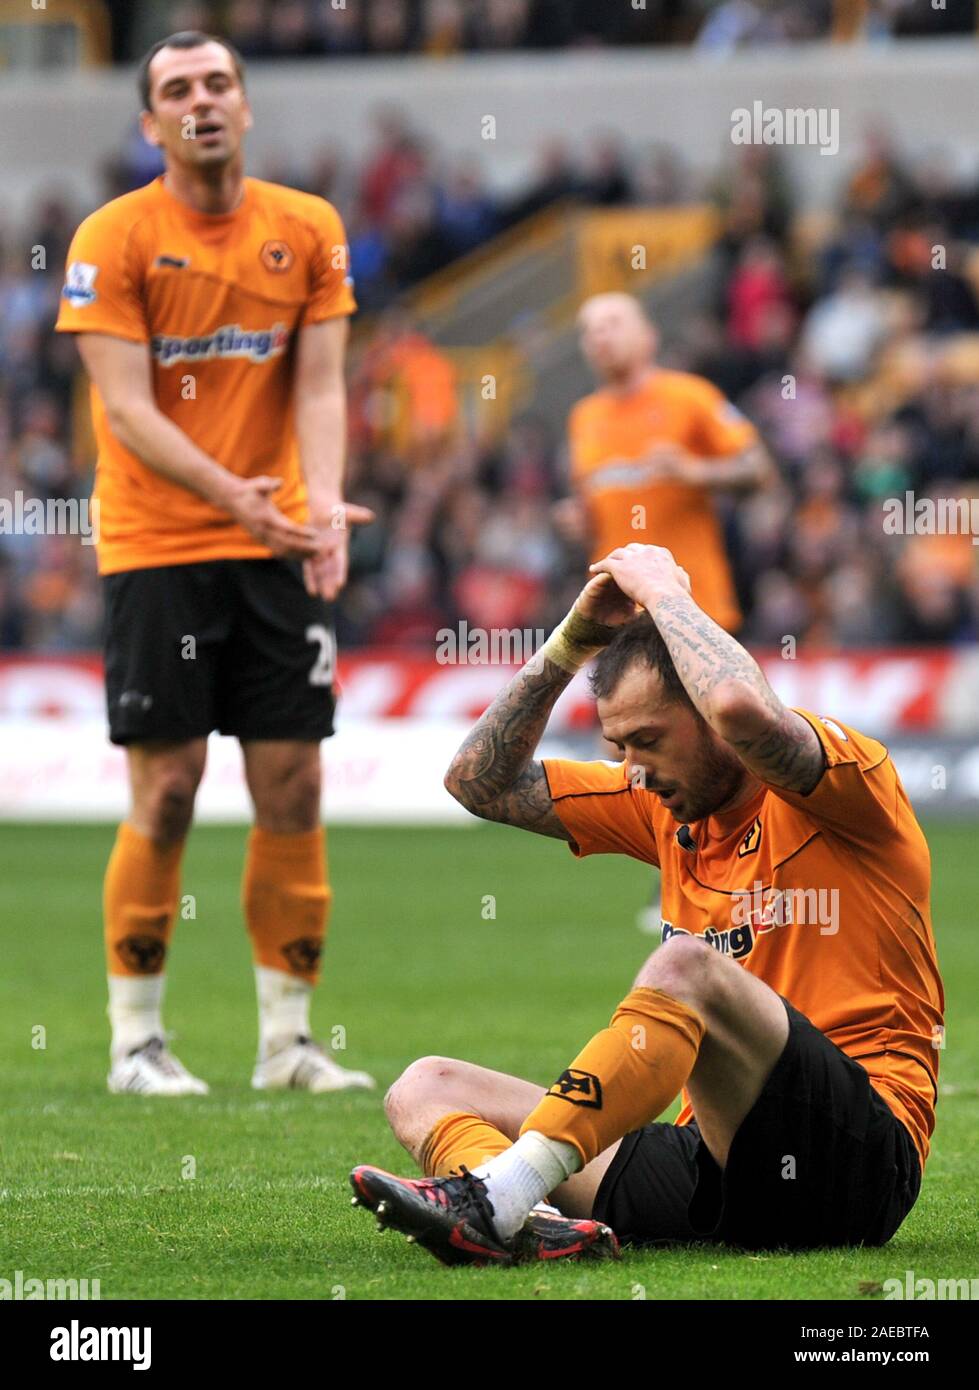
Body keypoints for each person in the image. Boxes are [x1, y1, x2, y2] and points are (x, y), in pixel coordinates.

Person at [349, 543, 943, 1265]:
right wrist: (574, 640)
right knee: (425, 1086)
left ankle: (494, 1198)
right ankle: (525, 1217)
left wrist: (665, 593)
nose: (632, 768)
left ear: (706, 719)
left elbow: (739, 706)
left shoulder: (847, 785)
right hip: (717, 1170)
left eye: (648, 741)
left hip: (851, 1164)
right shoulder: (661, 804)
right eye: (618, 744)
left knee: (683, 967)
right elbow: (477, 781)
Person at [55, 30, 375, 1096]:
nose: (202, 101)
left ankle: (287, 1043)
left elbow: (320, 387)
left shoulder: (308, 228)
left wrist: (320, 500)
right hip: (157, 544)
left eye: (219, 83)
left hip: (275, 541)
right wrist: (230, 490)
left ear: (245, 105)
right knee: (171, 790)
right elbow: (126, 411)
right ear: (151, 124)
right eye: (178, 89)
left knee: (293, 781)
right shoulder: (115, 235)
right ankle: (134, 1042)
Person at [554, 292, 771, 635]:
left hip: (693, 608)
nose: (600, 336)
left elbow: (759, 470)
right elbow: (595, 508)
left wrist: (696, 472)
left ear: (648, 336)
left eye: (613, 324)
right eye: (590, 330)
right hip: (616, 617)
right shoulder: (584, 417)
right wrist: (582, 521)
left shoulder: (690, 396)